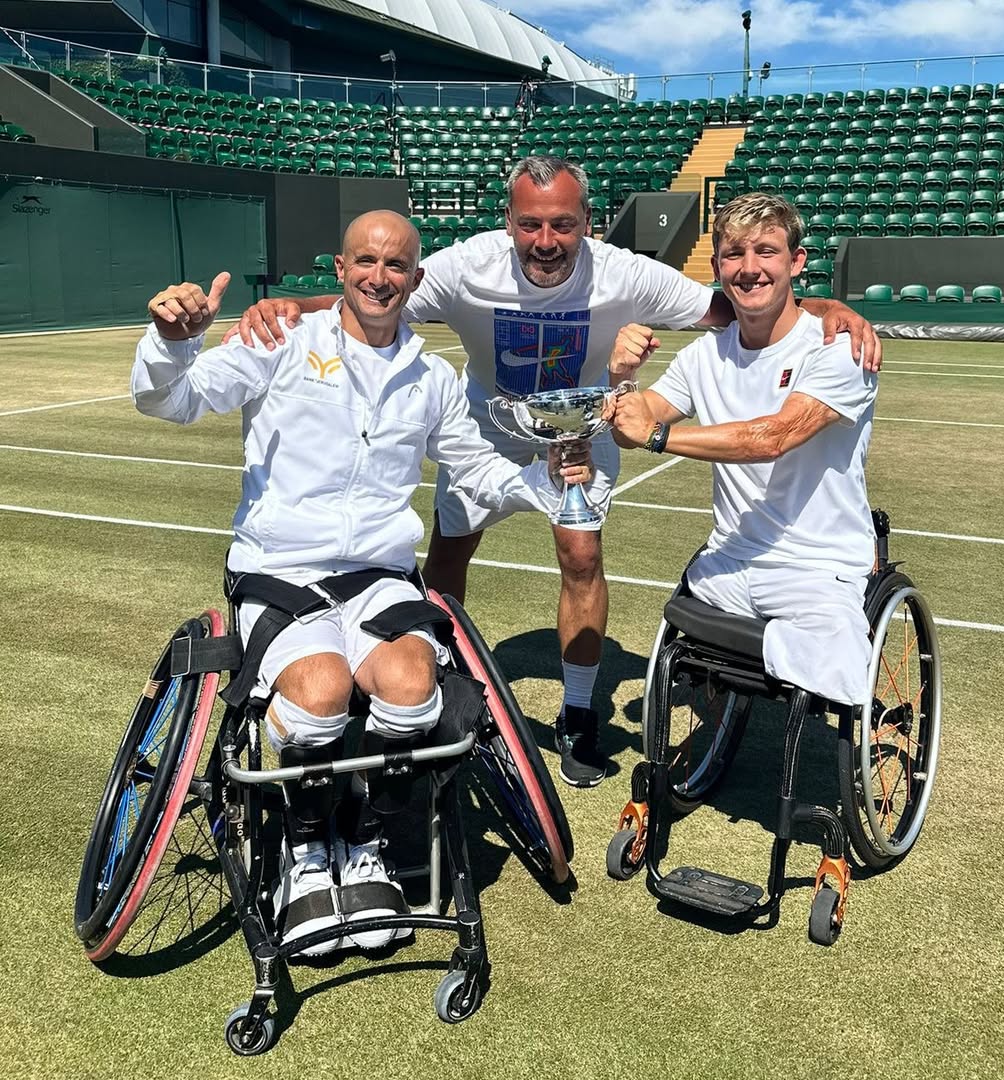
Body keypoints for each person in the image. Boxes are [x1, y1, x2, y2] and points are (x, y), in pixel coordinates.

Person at [227, 156, 882, 788]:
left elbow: (733, 304)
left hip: (580, 428)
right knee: (448, 553)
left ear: (588, 222)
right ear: (508, 221)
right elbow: (375, 289)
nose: (546, 240)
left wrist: (826, 310)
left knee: (580, 557)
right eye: (531, 224)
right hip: (482, 424)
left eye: (562, 224)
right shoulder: (465, 266)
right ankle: (436, 675)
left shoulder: (627, 274)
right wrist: (288, 305)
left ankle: (577, 715)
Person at [131, 210, 589, 956]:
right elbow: (170, 400)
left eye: (398, 266)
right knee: (321, 695)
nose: (381, 277)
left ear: (414, 279)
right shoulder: (280, 341)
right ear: (340, 270)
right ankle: (306, 852)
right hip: (281, 567)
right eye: (366, 263)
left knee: (414, 689)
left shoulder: (431, 377)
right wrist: (173, 342)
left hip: (377, 573)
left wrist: (546, 481)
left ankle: (365, 839)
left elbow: (474, 471)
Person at [604, 192, 877, 706]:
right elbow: (630, 426)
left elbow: (772, 437)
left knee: (839, 670)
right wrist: (621, 378)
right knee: (674, 645)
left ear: (797, 261)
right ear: (717, 266)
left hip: (817, 567)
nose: (750, 269)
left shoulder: (842, 349)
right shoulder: (705, 353)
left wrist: (660, 436)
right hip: (729, 562)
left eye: (766, 252)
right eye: (734, 254)